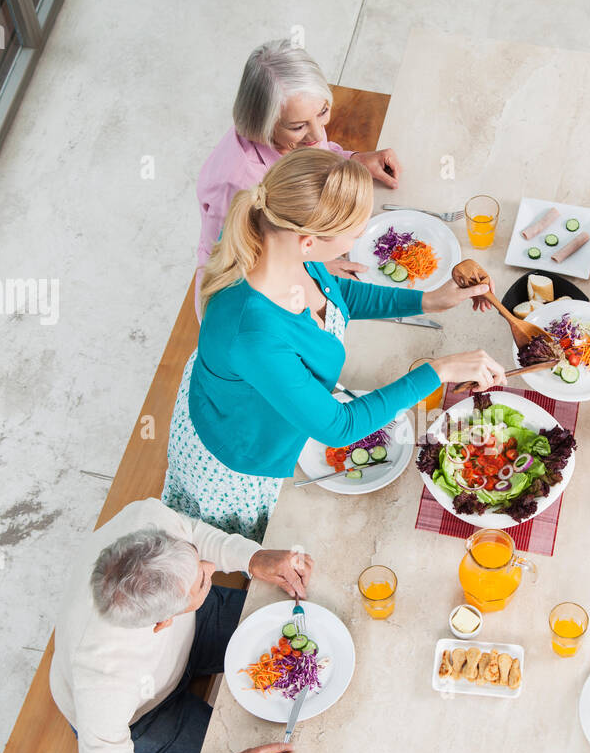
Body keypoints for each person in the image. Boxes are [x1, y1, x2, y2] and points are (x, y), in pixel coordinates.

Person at [163, 146, 503, 541]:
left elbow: (332, 295)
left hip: (258, 394)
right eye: (354, 234)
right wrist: (439, 370)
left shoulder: (278, 240)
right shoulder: (255, 335)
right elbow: (338, 428)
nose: (359, 238)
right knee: (227, 553)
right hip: (241, 447)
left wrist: (425, 300)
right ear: (309, 241)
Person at [49, 497, 313, 753]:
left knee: (303, 631)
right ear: (162, 624)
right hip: (144, 717)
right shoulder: (103, 680)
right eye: (203, 580)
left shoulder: (145, 518)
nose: (210, 567)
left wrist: (249, 557)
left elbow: (189, 532)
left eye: (193, 556)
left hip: (190, 628)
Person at [195, 38, 402, 303]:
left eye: (323, 111)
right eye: (298, 127)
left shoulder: (301, 121)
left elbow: (316, 154)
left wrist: (354, 159)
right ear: (263, 122)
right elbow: (233, 268)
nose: (317, 133)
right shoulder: (237, 183)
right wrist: (311, 267)